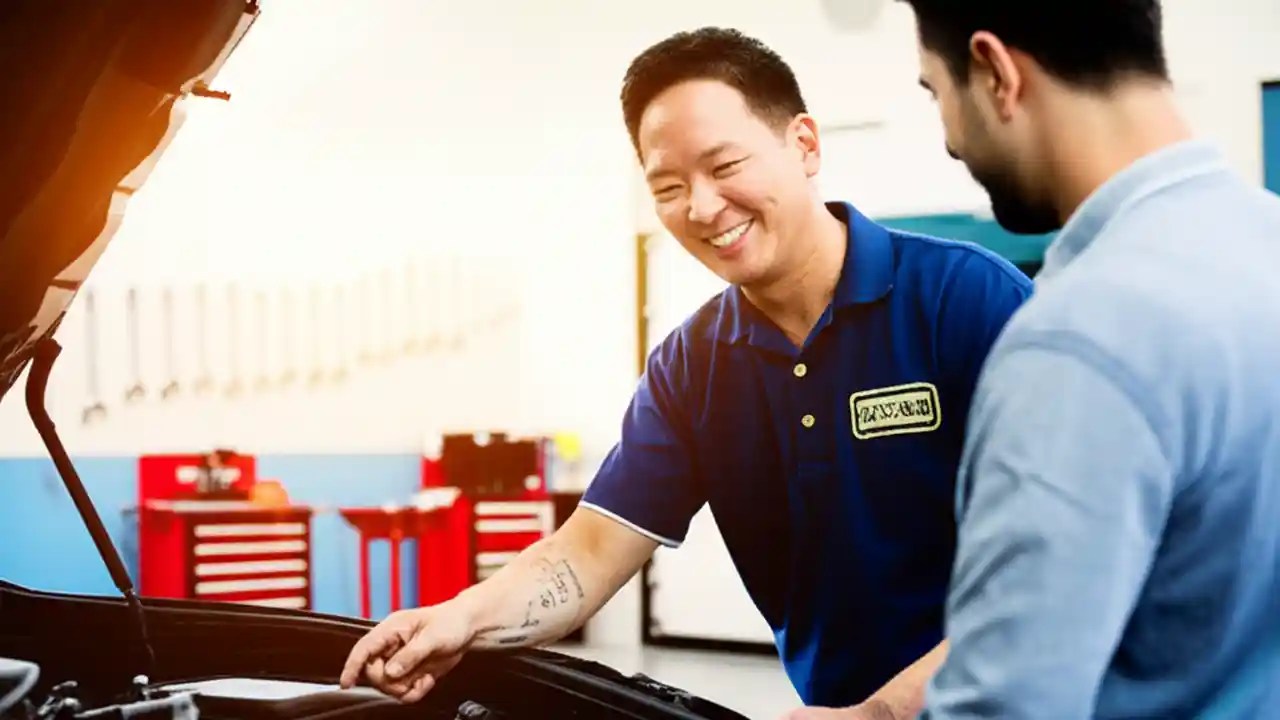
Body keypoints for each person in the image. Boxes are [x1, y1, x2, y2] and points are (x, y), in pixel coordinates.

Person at [339, 27, 1032, 718]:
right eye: (668, 186)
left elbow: (1058, 560)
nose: (701, 208)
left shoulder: (967, 302)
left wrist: (884, 712)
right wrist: (460, 618)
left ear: (805, 144)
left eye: (726, 165)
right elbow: (587, 553)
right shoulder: (694, 367)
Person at [895, 1, 1280, 717]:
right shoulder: (1267, 241)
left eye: (935, 91)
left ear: (995, 71)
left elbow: (1006, 708)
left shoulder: (1076, 340)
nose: (949, 138)